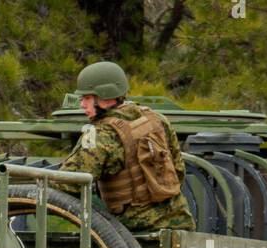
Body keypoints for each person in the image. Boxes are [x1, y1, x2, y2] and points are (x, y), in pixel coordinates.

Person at [55, 61, 194, 232]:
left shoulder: (102, 134)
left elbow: (68, 183)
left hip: (136, 234)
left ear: (105, 96)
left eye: (87, 98)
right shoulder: (156, 119)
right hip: (180, 226)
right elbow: (178, 170)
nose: (82, 104)